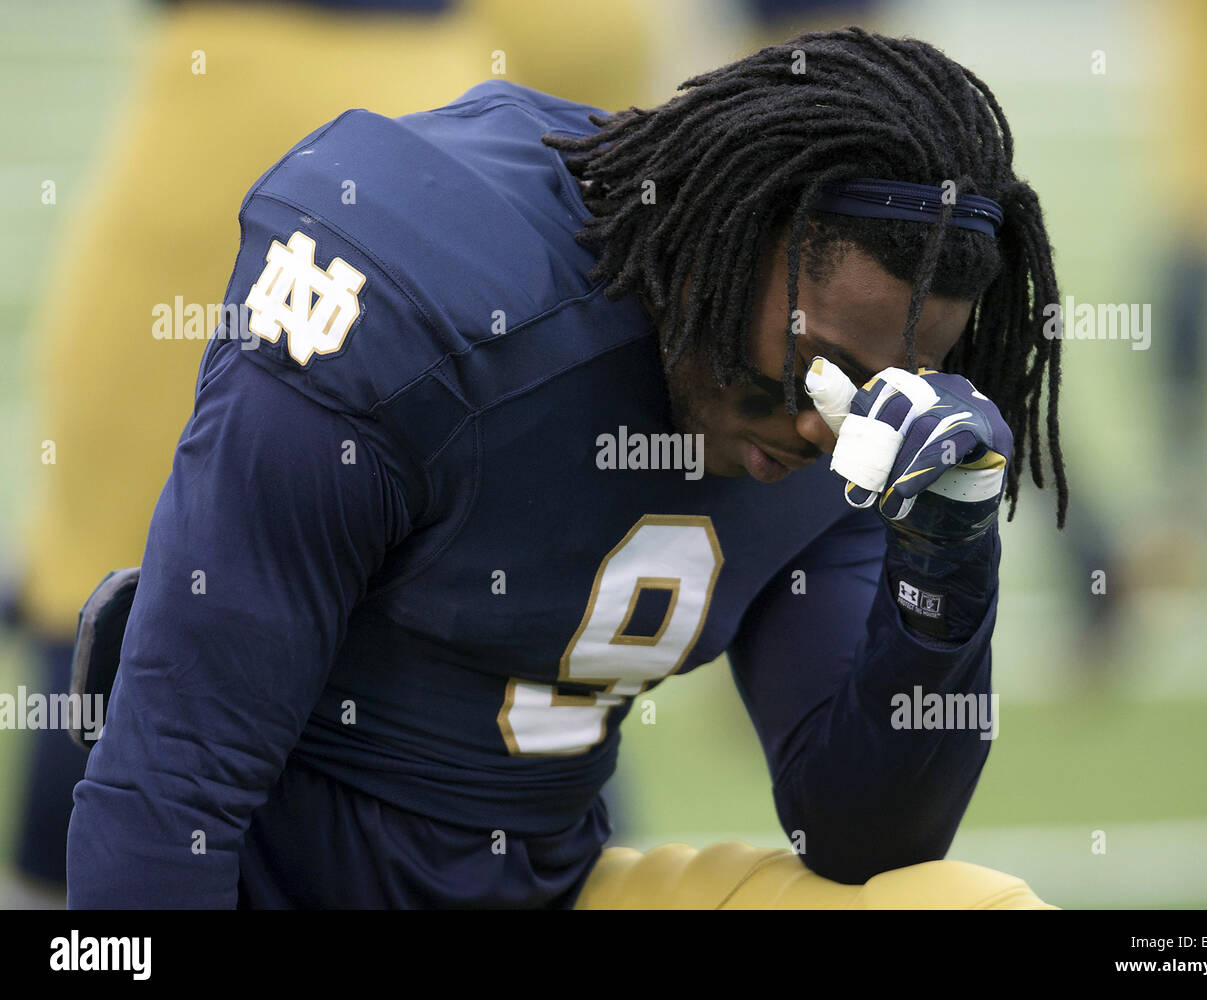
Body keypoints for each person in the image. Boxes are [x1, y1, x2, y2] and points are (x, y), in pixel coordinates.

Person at [67, 27, 1063, 909]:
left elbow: (865, 841)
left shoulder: (844, 434)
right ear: (727, 233)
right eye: (826, 370)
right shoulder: (428, 289)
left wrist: (946, 557)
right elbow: (173, 780)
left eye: (881, 389)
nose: (822, 426)